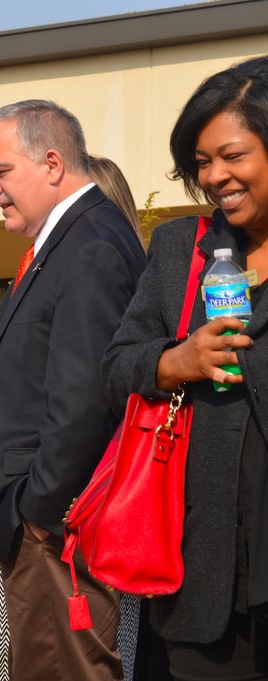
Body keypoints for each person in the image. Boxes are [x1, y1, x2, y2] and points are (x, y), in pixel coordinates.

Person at [0, 100, 146, 681]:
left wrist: (35, 513)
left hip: (58, 533)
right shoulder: (64, 242)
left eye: (0, 172)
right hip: (43, 529)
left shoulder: (91, 245)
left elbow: (84, 403)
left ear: (53, 163)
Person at [103, 55, 268, 680]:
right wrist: (177, 360)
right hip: (205, 573)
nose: (216, 176)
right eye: (202, 162)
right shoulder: (182, 248)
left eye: (233, 155)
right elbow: (117, 367)